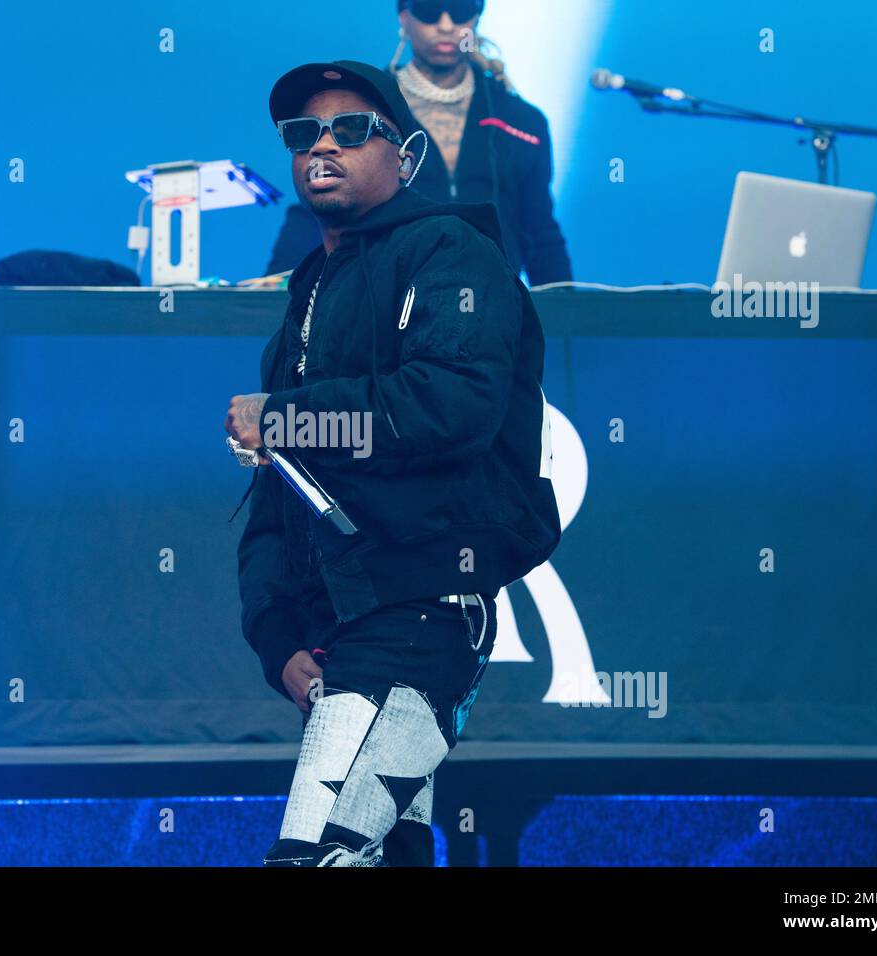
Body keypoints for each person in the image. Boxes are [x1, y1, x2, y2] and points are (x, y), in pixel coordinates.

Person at [226, 59, 561, 866]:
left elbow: (450, 407)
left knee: (316, 857)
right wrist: (277, 643)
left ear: (404, 156)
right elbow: (277, 499)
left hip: (420, 606)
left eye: (351, 129)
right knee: (386, 857)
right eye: (304, 134)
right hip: (335, 628)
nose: (323, 147)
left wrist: (287, 417)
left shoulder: (453, 252)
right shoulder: (307, 290)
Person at [263, 0, 573, 288]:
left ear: (476, 17)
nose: (446, 24)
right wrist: (270, 292)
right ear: (404, 16)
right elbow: (320, 200)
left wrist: (568, 319)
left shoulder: (522, 120)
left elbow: (539, 229)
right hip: (381, 309)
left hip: (495, 313)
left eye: (460, 8)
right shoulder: (361, 109)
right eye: (429, 8)